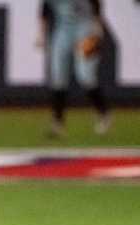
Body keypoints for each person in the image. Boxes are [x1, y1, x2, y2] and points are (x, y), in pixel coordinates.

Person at [37, 0, 112, 138]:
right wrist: (41, 35)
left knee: (86, 76)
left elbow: (96, 5)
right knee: (58, 77)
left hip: (86, 28)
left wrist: (98, 29)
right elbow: (44, 11)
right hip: (63, 29)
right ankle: (58, 124)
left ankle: (103, 115)